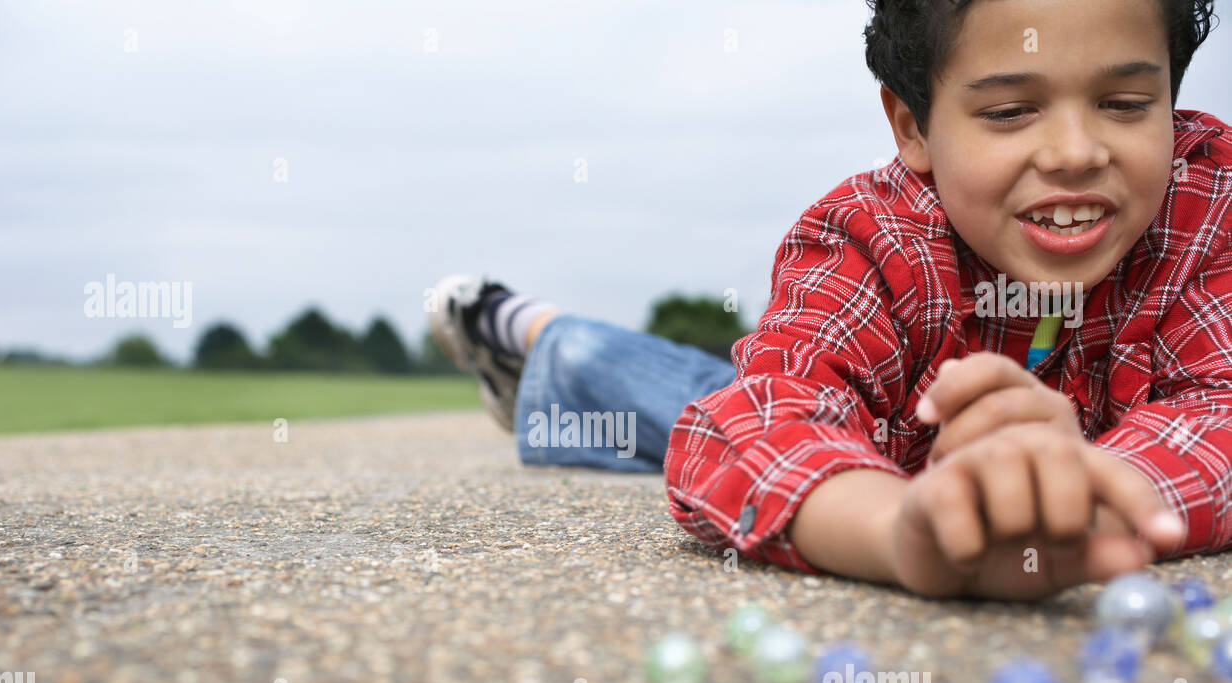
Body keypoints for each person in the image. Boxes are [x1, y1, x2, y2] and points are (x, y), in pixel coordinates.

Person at [429, 0, 1230, 602]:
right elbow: (751, 424)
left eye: (1125, 104)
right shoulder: (873, 239)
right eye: (1010, 111)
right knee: (665, 389)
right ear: (912, 125)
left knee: (692, 384)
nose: (1075, 153)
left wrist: (1083, 492)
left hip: (865, 431)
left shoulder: (1207, 206)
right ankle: (526, 329)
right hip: (863, 450)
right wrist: (903, 533)